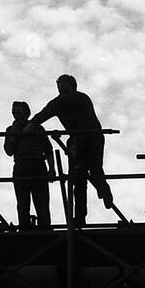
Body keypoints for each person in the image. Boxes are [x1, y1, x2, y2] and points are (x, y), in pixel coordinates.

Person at [30, 74, 114, 226]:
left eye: (66, 92)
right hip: (75, 139)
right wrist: (30, 125)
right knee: (78, 180)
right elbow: (43, 114)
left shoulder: (82, 100)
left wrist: (76, 144)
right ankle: (80, 217)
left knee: (95, 170)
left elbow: (85, 124)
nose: (63, 96)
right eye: (60, 92)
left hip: (92, 137)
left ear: (74, 88)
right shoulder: (58, 103)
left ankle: (104, 190)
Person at [4, 101, 53, 230]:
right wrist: (14, 135)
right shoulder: (10, 130)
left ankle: (45, 229)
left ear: (26, 113)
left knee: (42, 203)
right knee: (22, 203)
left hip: (37, 166)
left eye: (18, 113)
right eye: (14, 113)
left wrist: (52, 169)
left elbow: (48, 149)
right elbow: (8, 151)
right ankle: (24, 229)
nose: (16, 116)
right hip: (21, 167)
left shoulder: (37, 128)